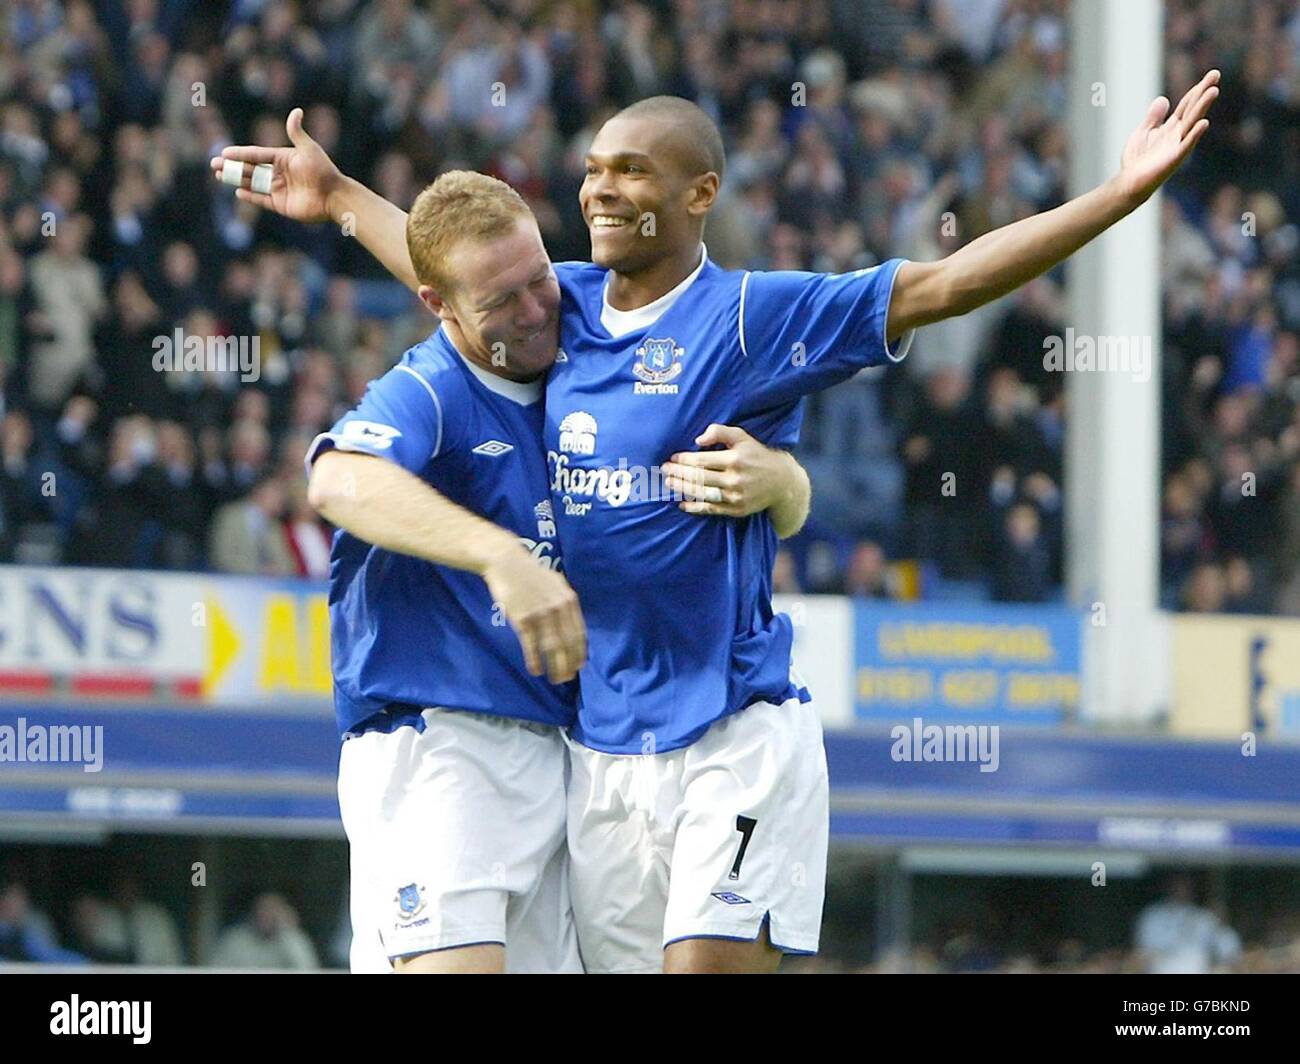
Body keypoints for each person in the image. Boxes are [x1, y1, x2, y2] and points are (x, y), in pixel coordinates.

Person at [216, 71, 1218, 972]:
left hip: (732, 723)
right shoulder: (560, 312)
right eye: (595, 169)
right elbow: (461, 283)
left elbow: (941, 284)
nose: (602, 189)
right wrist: (344, 200)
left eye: (633, 170)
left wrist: (1117, 196)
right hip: (601, 756)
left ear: (700, 193)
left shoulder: (750, 318)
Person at [220, 158, 809, 973]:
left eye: (542, 280)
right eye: (505, 302)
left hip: (560, 758)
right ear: (443, 309)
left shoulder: (583, 344)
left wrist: (788, 483)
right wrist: (499, 556)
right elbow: (337, 479)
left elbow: (467, 265)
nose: (539, 310)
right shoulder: (428, 389)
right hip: (438, 739)